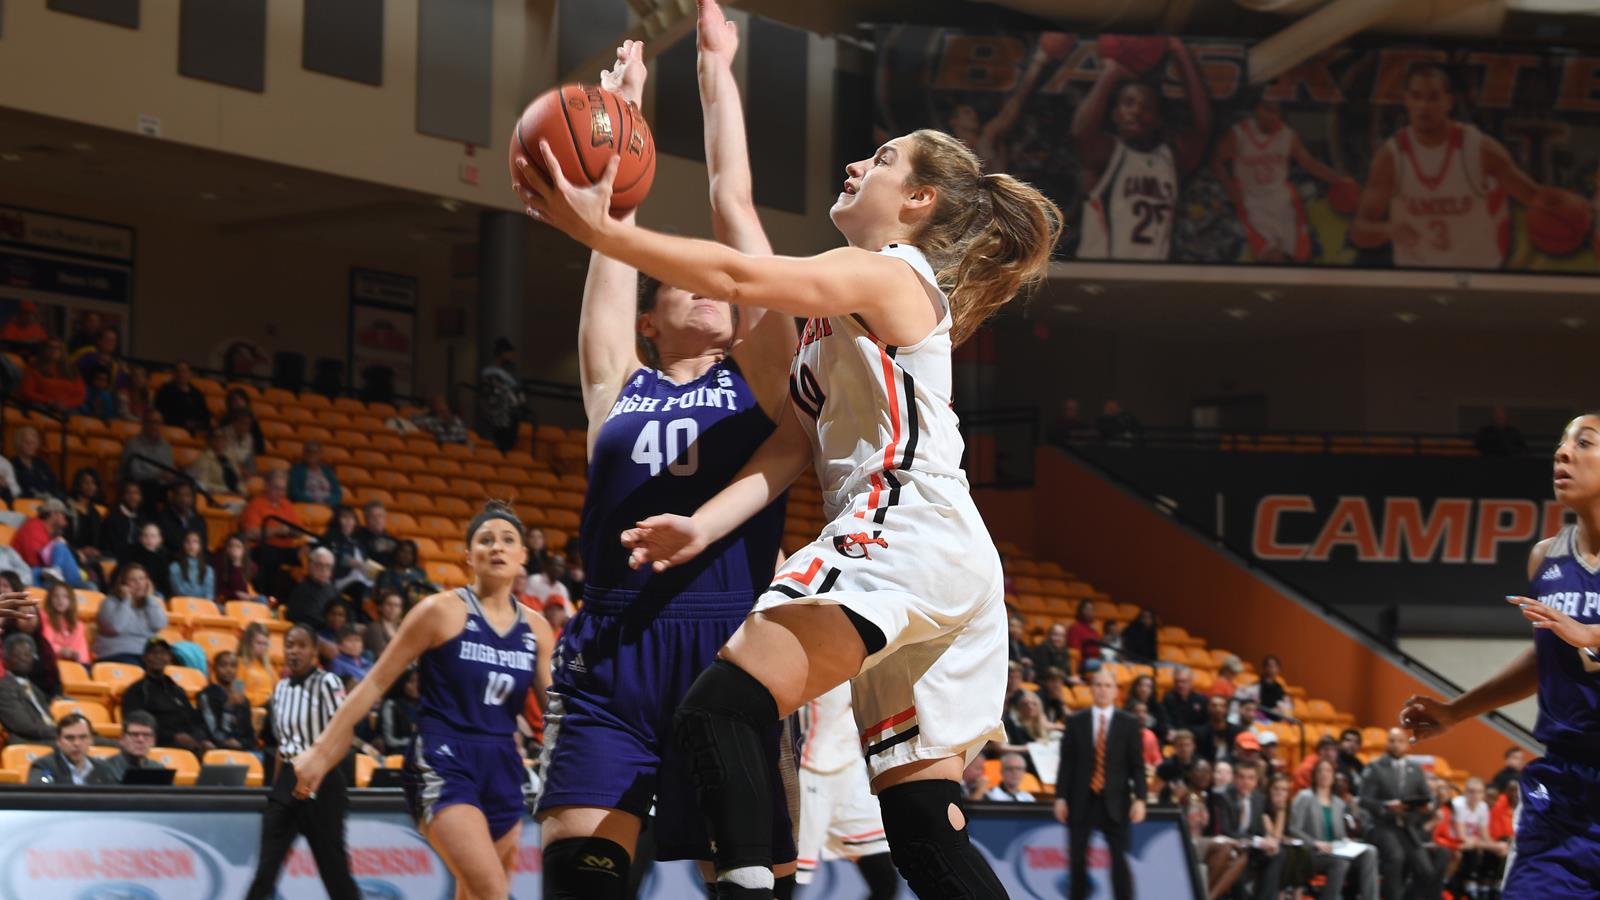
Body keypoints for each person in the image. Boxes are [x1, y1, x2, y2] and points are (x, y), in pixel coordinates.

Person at [527, 11, 1062, 894]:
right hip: (940, 557)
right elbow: (784, 444)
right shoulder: (823, 333)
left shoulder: (893, 275)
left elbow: (739, 277)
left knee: (721, 707)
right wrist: (714, 69)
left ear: (919, 202)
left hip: (906, 530)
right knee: (925, 829)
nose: (859, 164)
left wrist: (602, 232)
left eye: (882, 160)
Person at [518, 28, 803, 899]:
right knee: (581, 877)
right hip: (613, 645)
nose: (707, 285)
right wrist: (620, 120)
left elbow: (738, 222)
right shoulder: (618, 386)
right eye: (680, 281)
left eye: (716, 282)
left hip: (729, 642)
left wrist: (719, 74)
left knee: (751, 887)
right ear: (651, 316)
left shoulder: (759, 378)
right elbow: (614, 245)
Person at [287, 503, 556, 900]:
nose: (496, 547)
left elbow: (556, 711)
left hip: (503, 767)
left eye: (507, 540)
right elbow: (374, 683)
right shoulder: (439, 611)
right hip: (442, 759)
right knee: (492, 892)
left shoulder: (537, 629)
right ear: (469, 556)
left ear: (523, 556)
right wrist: (322, 752)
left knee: (473, 893)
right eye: (485, 540)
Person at [1402, 415, 1600, 898]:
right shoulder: (1546, 558)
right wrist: (1454, 711)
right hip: (1565, 790)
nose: (1562, 453)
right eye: (1560, 443)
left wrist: (1591, 632)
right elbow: (1542, 660)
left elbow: (1581, 637)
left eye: (1584, 443)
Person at [1351, 62, 1567, 270]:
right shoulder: (1390, 157)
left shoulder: (1480, 148)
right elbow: (1359, 231)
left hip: (1477, 275)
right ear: (1406, 100)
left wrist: (1575, 211)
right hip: (1417, 275)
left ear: (1448, 102)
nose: (1423, 106)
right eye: (1416, 97)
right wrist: (1387, 229)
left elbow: (1532, 197)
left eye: (1433, 97)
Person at [243, 625, 360, 900]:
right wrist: (277, 789)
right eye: (289, 645)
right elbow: (282, 746)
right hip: (287, 786)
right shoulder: (281, 689)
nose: (293, 651)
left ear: (314, 651)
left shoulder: (328, 682)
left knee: (335, 874)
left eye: (301, 645)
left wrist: (317, 770)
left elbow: (345, 735)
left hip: (324, 784)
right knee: (265, 872)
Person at [1070, 38, 1210, 260]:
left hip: (1152, 274)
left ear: (1158, 120)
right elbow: (1081, 132)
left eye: (1146, 107)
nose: (1136, 111)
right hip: (1100, 273)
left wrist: (1182, 53)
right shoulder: (1107, 154)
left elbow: (1201, 127)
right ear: (1115, 115)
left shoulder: (1170, 159)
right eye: (1128, 103)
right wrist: (1110, 73)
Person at [1211, 91, 1355, 263]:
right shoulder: (1239, 133)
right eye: (1267, 110)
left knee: (1300, 258)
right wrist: (1228, 186)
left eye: (1276, 111)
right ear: (1256, 110)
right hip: (1253, 202)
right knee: (1272, 258)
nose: (1272, 116)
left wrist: (1338, 179)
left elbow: (1309, 163)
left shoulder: (1288, 135)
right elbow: (1215, 159)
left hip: (1284, 201)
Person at [794, 682, 898, 898]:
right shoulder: (804, 667)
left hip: (850, 775)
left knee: (884, 879)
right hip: (806, 776)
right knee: (787, 880)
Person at [1054, 668, 1146, 900]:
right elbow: (1067, 763)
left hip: (1116, 801)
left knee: (1119, 861)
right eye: (1098, 685)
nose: (1103, 690)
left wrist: (1141, 799)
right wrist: (1060, 797)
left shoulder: (1129, 723)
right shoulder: (1076, 721)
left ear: (1115, 691)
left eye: (1107, 686)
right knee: (1076, 861)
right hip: (1081, 800)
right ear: (1091, 689)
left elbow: (1137, 765)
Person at [1358, 727, 1447, 900]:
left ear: (1407, 745)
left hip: (1407, 827)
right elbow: (1363, 800)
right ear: (1387, 743)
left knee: (1425, 870)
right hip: (1382, 825)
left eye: (1400, 741)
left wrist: (1431, 805)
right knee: (1396, 857)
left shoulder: (1416, 769)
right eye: (1392, 741)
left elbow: (1427, 798)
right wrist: (1386, 805)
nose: (1396, 745)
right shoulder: (1375, 767)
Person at [945, 36, 1052, 173]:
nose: (974, 115)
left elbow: (1013, 106)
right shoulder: (950, 155)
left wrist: (1037, 64)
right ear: (954, 122)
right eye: (966, 112)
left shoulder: (987, 137)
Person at [1290, 757, 1379, 900]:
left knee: (1370, 851)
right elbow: (1293, 828)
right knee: (1340, 863)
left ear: (1333, 775)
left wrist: (1346, 840)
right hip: (1312, 853)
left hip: (1335, 849)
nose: (1324, 774)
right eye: (1320, 771)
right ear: (1314, 775)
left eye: (1328, 771)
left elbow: (1340, 834)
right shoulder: (1304, 797)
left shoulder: (1339, 803)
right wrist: (1315, 843)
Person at [120, 637, 211, 753]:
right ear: (145, 658)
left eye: (163, 653)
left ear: (169, 658)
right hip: (158, 744)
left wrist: (200, 738)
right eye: (154, 653)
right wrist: (172, 737)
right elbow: (134, 723)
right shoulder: (137, 690)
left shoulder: (177, 690)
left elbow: (193, 718)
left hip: (189, 743)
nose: (159, 656)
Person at [241, 469, 304, 597]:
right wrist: (278, 530)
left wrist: (290, 532)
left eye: (283, 489)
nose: (280, 493)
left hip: (286, 548)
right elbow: (251, 533)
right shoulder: (256, 504)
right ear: (267, 486)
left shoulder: (286, 504)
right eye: (276, 488)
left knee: (310, 553)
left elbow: (299, 529)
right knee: (271, 555)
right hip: (261, 549)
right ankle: (267, 597)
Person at [93, 563, 166, 664]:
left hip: (147, 656)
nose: (139, 583)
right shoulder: (109, 602)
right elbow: (116, 628)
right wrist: (127, 601)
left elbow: (159, 624)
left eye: (142, 579)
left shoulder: (151, 604)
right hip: (118, 653)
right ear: (123, 584)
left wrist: (150, 598)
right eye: (133, 580)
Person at [28, 712, 114, 785]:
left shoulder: (102, 768)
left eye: (83, 737)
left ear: (91, 740)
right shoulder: (44, 766)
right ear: (58, 741)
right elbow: (40, 798)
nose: (77, 743)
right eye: (69, 738)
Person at [0, 632, 56, 741]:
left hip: (50, 737)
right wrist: (59, 733)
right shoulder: (3, 687)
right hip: (29, 741)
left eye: (27, 655)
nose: (23, 659)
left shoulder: (36, 690)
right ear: (6, 660)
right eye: (17, 656)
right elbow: (22, 726)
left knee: (95, 740)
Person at [199, 649, 257, 752]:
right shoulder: (206, 695)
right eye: (223, 665)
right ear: (214, 668)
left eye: (233, 666)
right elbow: (215, 734)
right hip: (218, 749)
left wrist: (241, 744)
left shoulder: (242, 699)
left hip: (242, 749)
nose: (229, 670)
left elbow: (250, 736)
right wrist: (228, 707)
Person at [17, 339, 85, 414]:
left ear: (62, 351)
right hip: (41, 405)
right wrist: (49, 401)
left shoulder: (71, 370)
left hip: (67, 407)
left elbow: (80, 395)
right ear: (44, 350)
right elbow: (27, 392)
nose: (54, 351)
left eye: (57, 348)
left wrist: (66, 404)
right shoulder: (34, 368)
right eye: (50, 347)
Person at [99, 709, 165, 783]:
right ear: (122, 739)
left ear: (153, 741)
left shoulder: (158, 769)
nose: (140, 740)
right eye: (134, 734)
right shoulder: (105, 769)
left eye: (146, 735)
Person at [119, 409, 177, 491]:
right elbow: (135, 474)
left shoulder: (166, 447)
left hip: (162, 488)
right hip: (138, 488)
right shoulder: (132, 445)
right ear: (144, 424)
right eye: (151, 422)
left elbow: (169, 473)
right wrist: (158, 475)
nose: (154, 426)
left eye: (157, 423)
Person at [38, 580, 89, 664]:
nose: (60, 600)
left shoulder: (78, 625)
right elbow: (45, 644)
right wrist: (61, 651)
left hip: (73, 666)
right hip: (50, 662)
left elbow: (82, 654)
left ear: (71, 600)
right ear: (50, 599)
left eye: (65, 596)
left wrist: (75, 656)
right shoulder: (43, 617)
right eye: (55, 596)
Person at [154, 362, 211, 433]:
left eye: (184, 371)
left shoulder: (197, 394)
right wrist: (183, 423)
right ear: (173, 374)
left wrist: (197, 424)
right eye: (178, 371)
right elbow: (161, 413)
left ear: (190, 374)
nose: (181, 374)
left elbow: (205, 415)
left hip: (196, 430)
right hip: (172, 429)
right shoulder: (165, 391)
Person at [188, 427, 242, 496]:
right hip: (217, 496)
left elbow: (239, 480)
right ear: (209, 441)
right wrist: (224, 491)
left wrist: (242, 491)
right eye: (216, 439)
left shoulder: (230, 458)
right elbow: (202, 484)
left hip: (236, 496)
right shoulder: (203, 459)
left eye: (222, 439)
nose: (220, 442)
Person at [377, 667, 419, 755]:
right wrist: (417, 741)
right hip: (397, 753)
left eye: (419, 681)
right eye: (411, 681)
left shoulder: (423, 705)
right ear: (402, 683)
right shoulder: (391, 705)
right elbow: (389, 741)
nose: (417, 686)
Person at [100, 481, 144, 562]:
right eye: (129, 493)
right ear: (123, 495)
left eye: (136, 493)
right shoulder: (113, 517)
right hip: (115, 559)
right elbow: (113, 546)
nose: (133, 497)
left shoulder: (141, 518)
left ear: (141, 497)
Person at [157, 482, 207, 556]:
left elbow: (203, 545)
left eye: (188, 495)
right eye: (180, 495)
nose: (184, 499)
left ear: (193, 498)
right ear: (173, 497)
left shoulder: (199, 520)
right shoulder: (163, 518)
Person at [11, 426, 60, 499]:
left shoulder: (42, 465)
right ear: (19, 443)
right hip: (24, 503)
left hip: (48, 504)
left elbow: (54, 486)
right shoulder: (11, 464)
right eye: (26, 442)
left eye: (33, 443)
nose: (30, 446)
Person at [288, 441, 342, 507]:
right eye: (308, 451)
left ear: (320, 454)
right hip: (307, 505)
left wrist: (327, 502)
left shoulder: (327, 470)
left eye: (315, 452)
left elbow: (337, 493)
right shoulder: (296, 470)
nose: (311, 454)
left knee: (347, 513)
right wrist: (313, 502)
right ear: (304, 453)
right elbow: (294, 492)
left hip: (328, 505)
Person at [237, 622, 279, 708]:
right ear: (248, 643)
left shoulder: (268, 667)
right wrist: (263, 699)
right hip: (250, 709)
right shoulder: (239, 664)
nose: (263, 647)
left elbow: (279, 689)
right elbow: (237, 693)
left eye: (265, 644)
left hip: (269, 709)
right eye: (259, 643)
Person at [168, 531, 215, 600]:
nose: (191, 545)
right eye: (187, 542)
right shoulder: (174, 567)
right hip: (182, 605)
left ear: (200, 546)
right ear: (183, 545)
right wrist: (199, 593)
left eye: (195, 542)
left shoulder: (208, 570)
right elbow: (178, 591)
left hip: (203, 607)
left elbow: (209, 594)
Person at [214, 535, 261, 602]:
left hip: (249, 601)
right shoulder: (220, 564)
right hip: (228, 602)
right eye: (231, 546)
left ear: (245, 549)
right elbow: (219, 589)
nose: (234, 549)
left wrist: (250, 596)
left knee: (262, 599)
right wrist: (235, 563)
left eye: (238, 546)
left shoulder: (253, 567)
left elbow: (254, 590)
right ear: (227, 548)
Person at [1163, 665, 1209, 732]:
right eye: (1177, 681)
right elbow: (1166, 720)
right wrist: (1170, 729)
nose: (1180, 685)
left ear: (1191, 682)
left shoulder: (1201, 700)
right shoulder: (1168, 699)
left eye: (1183, 681)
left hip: (1196, 735)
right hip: (1176, 735)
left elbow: (1206, 723)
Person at [357, 501, 399, 568]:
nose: (377, 520)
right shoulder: (358, 537)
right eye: (372, 516)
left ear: (385, 518)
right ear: (366, 519)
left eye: (380, 516)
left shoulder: (394, 541)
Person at [365, 590, 404, 660]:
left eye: (397, 605)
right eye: (389, 604)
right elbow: (382, 656)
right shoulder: (374, 627)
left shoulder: (400, 629)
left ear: (400, 610)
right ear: (380, 607)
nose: (393, 608)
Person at [1065, 598, 1101, 673]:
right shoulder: (1075, 628)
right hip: (1083, 663)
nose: (1090, 612)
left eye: (1092, 609)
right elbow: (1074, 651)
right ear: (1080, 611)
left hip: (1096, 660)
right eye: (1087, 609)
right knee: (1096, 664)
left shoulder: (1094, 631)